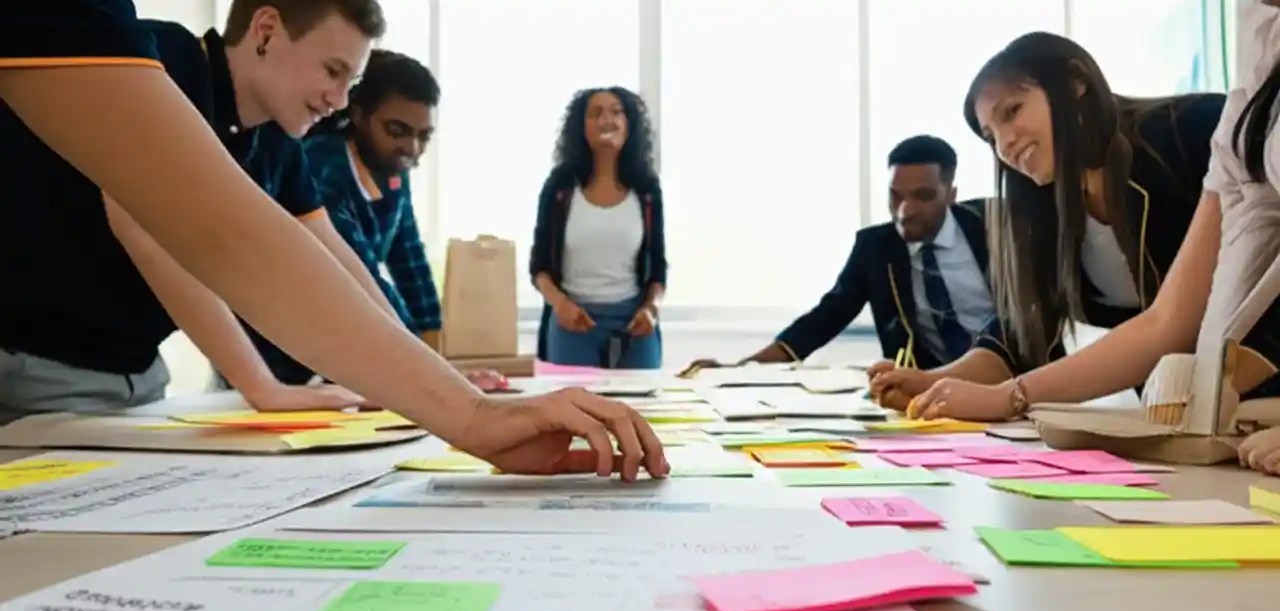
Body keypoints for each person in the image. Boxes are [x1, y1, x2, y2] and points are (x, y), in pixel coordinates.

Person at [0, 1, 667, 480]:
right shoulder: (162, 60)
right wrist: (262, 385)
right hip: (33, 367)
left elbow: (344, 269)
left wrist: (443, 383)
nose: (339, 99)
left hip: (133, 379)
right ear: (266, 30)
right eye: (332, 71)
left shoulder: (278, 145)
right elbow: (174, 227)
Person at [869, 32, 1227, 414]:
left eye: (1012, 111)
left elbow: (1170, 324)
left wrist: (1009, 396)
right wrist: (936, 383)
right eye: (991, 137)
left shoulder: (1193, 130)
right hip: (1188, 412)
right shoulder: (1047, 207)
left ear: (1076, 83)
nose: (1005, 144)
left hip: (1258, 400)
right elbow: (1019, 333)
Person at [238, 48, 505, 391]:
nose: (411, 147)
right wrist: (437, 378)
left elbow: (410, 261)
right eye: (397, 130)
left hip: (335, 343)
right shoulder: (321, 165)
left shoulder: (392, 170)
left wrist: (440, 359)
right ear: (359, 114)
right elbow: (361, 276)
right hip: (274, 348)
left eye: (423, 136)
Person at [682, 136, 995, 387]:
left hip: (1011, 380)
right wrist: (741, 370)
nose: (905, 210)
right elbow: (826, 318)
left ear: (951, 195)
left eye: (923, 196)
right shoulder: (875, 247)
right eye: (896, 196)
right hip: (925, 391)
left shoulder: (996, 226)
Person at [531, 87, 666, 370]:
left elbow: (658, 269)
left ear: (629, 124)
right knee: (572, 409)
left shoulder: (647, 190)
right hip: (573, 319)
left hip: (634, 322)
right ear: (581, 127)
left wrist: (651, 309)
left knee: (642, 408)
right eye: (596, 113)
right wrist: (560, 305)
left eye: (616, 112)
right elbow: (539, 266)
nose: (607, 120)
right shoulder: (560, 187)